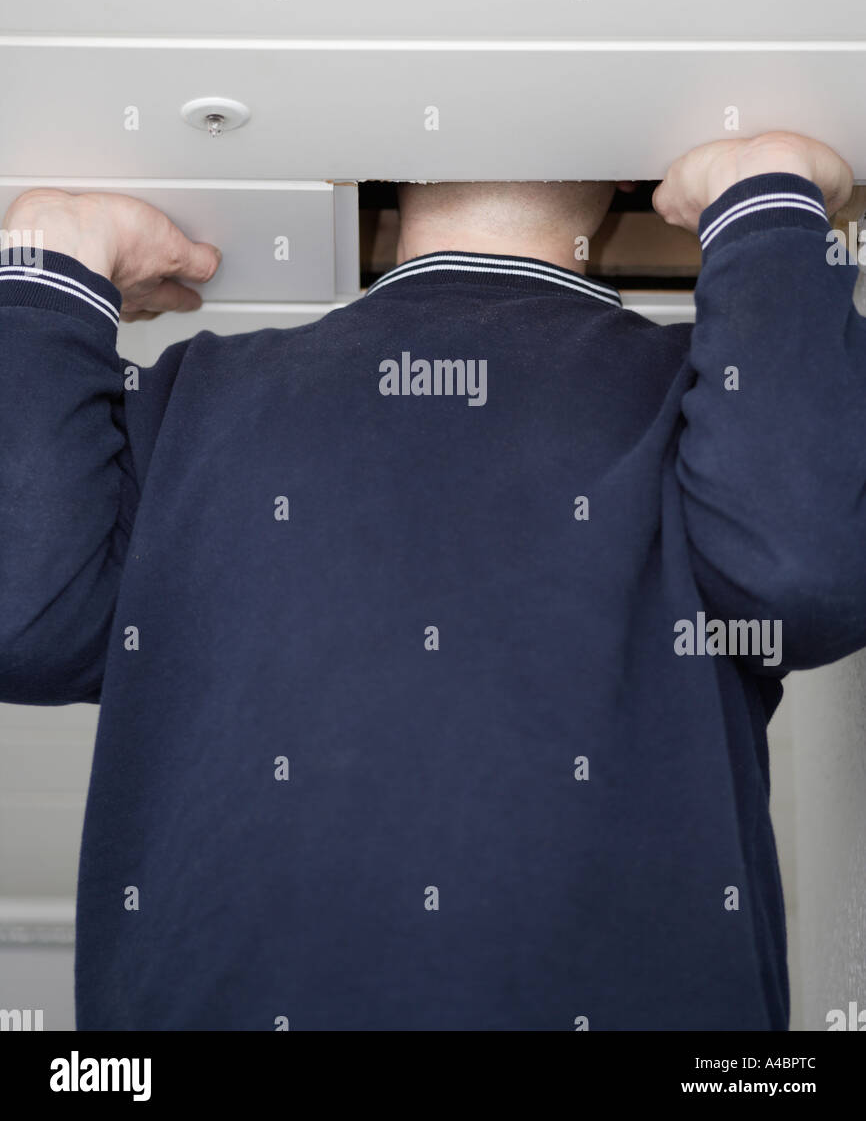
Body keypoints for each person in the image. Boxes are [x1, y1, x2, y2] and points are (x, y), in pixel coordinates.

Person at [0, 131, 863, 1031]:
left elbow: (803, 578)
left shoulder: (710, 394)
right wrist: (53, 252)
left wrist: (53, 252)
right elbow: (22, 625)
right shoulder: (187, 403)